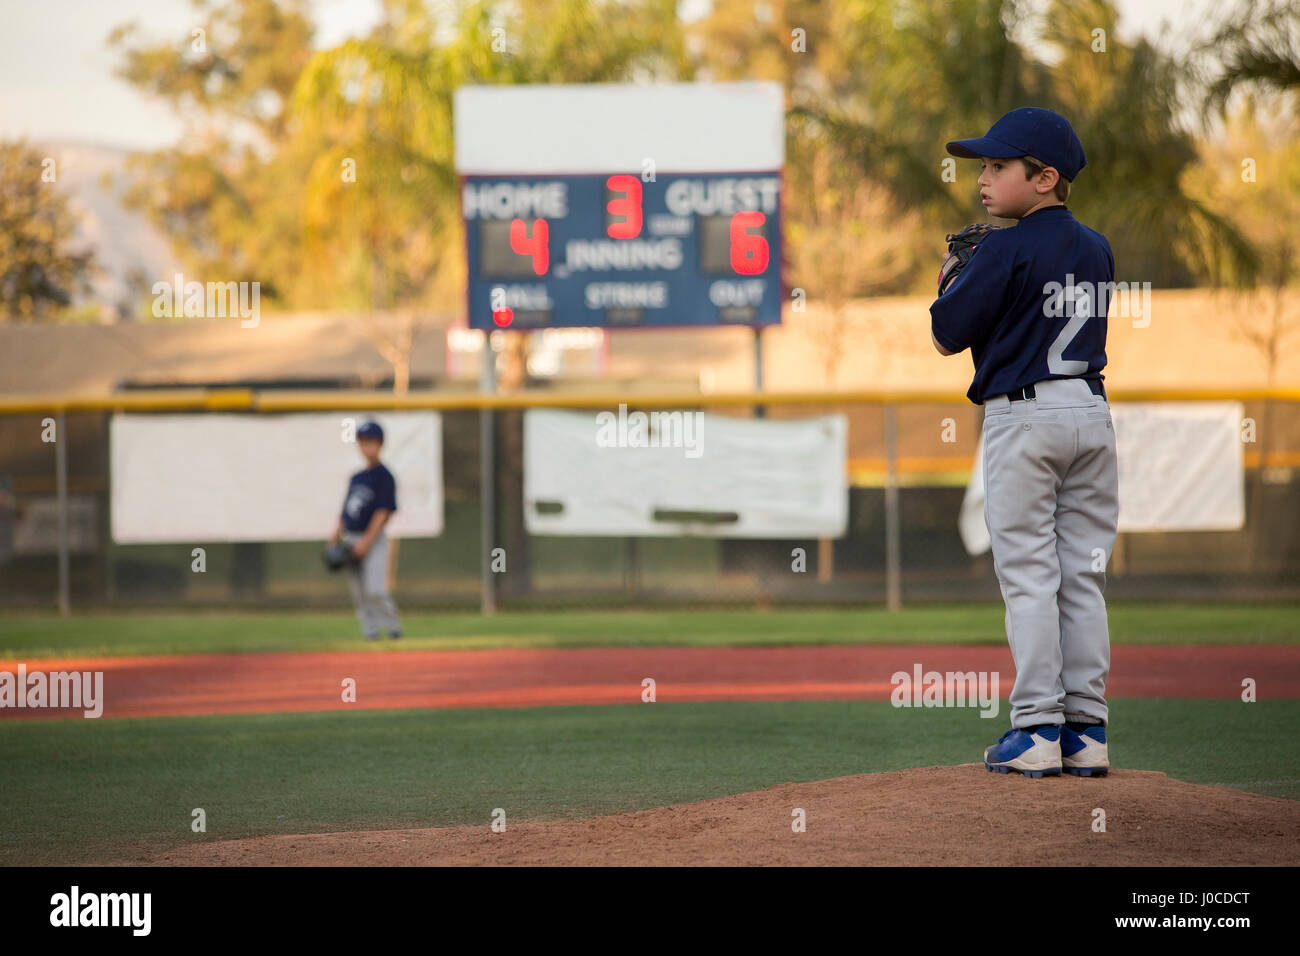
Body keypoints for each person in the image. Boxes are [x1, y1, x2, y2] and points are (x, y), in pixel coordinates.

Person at [930, 107, 1118, 778]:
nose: (983, 178)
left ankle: (1037, 727)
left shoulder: (1004, 249)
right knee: (1081, 577)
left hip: (1025, 418)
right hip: (1091, 416)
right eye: (982, 165)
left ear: (1045, 179)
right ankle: (1084, 731)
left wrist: (955, 275)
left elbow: (948, 332)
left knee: (1030, 577)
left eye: (998, 166)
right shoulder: (1097, 248)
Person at [329, 420, 403, 641]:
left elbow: (383, 512)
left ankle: (394, 630)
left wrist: (366, 543)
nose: (366, 447)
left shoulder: (384, 476)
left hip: (373, 539)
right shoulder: (356, 477)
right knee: (359, 593)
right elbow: (347, 510)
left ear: (380, 444)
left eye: (371, 442)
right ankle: (371, 634)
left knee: (375, 590)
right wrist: (335, 536)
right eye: (363, 442)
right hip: (351, 538)